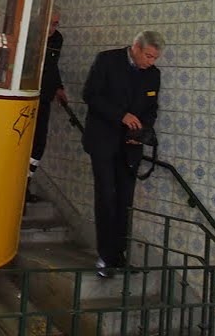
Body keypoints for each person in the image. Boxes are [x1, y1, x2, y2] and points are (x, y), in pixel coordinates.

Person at [82, 30, 165, 277]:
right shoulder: (107, 60)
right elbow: (90, 95)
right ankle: (105, 258)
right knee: (106, 197)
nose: (150, 62)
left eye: (154, 58)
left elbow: (152, 108)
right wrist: (121, 116)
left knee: (125, 201)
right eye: (148, 56)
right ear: (136, 47)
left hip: (130, 147)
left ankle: (120, 257)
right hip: (103, 142)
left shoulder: (153, 75)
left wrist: (141, 130)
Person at [26, 7, 67, 203]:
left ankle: (25, 183)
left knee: (39, 143)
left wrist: (58, 87)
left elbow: (51, 66)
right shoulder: (29, 33)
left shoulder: (57, 39)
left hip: (45, 96)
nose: (53, 27)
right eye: (50, 23)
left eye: (56, 23)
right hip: (26, 95)